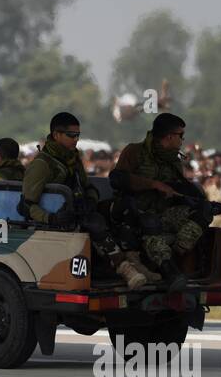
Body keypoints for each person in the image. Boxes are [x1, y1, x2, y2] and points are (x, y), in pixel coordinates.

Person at [25, 113, 148, 289]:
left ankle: (135, 260)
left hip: (80, 210)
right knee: (95, 222)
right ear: (56, 135)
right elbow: (26, 205)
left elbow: (87, 186)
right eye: (71, 135)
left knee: (123, 206)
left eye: (78, 135)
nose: (75, 140)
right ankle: (125, 268)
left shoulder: (72, 159)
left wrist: (91, 199)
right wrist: (50, 218)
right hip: (58, 219)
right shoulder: (42, 164)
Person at [109, 113, 209, 291]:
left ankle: (180, 248)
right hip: (134, 214)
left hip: (163, 213)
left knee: (203, 210)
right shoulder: (135, 152)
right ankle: (170, 271)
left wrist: (192, 198)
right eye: (181, 136)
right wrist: (154, 185)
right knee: (151, 223)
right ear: (169, 136)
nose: (182, 140)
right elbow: (117, 179)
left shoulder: (174, 161)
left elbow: (180, 188)